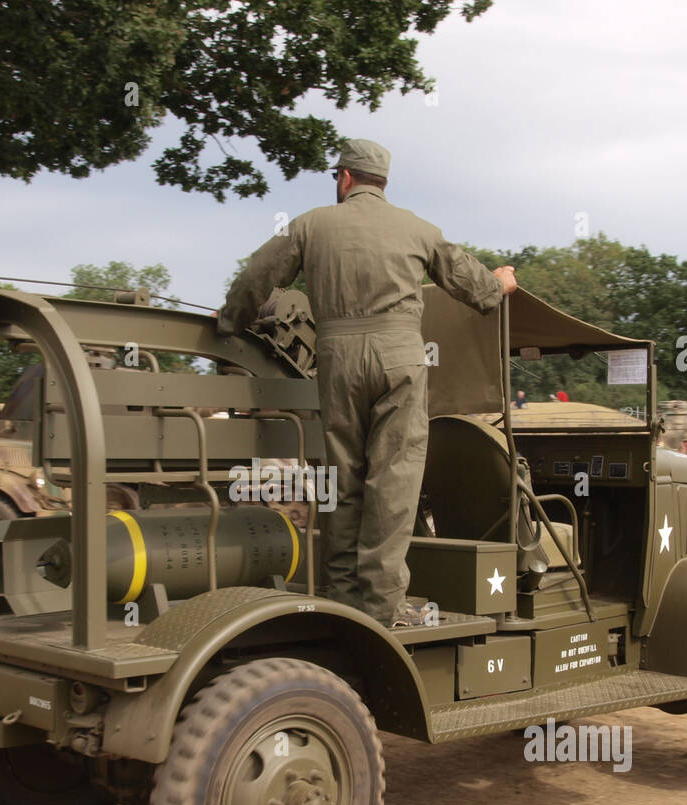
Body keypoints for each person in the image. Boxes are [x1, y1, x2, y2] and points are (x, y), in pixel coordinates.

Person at [217, 138, 517, 627]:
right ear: (382, 181)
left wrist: (230, 321)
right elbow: (481, 291)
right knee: (393, 480)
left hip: (336, 359)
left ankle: (340, 594)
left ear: (345, 178)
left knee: (341, 478)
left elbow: (257, 276)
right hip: (400, 356)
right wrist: (501, 282)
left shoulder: (310, 225)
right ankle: (382, 608)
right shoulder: (419, 230)